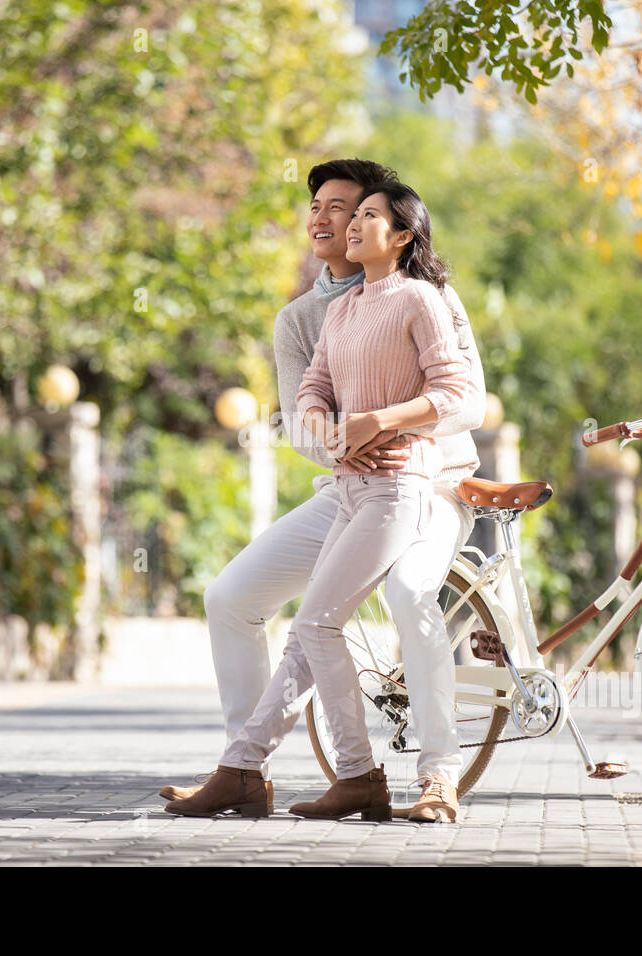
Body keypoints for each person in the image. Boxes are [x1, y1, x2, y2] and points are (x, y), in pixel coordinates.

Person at [160, 160, 485, 823]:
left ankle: (438, 777)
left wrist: (385, 425)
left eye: (346, 206)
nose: (323, 217)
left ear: (391, 226)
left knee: (406, 593)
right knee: (231, 597)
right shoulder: (303, 320)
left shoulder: (429, 294)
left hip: (436, 485)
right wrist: (344, 439)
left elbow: (468, 401)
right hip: (348, 486)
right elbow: (299, 423)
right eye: (319, 205)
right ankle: (246, 770)